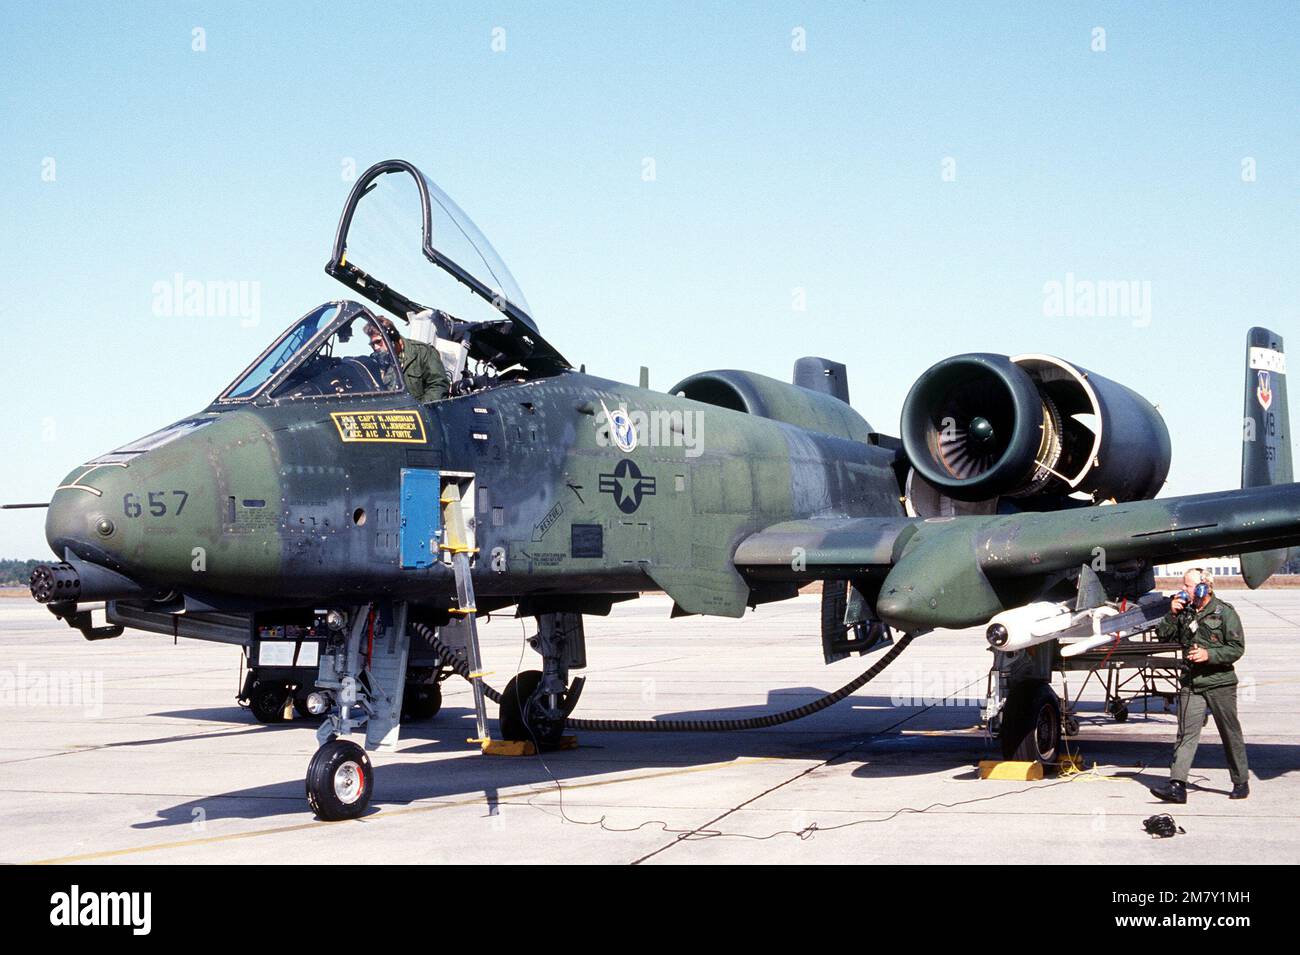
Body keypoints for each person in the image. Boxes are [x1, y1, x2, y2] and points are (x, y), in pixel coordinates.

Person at [1148, 568, 1249, 803]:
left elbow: (1236, 648)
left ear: (1203, 587)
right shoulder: (1185, 612)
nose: (1183, 589)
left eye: (1188, 586)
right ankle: (1177, 785)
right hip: (1191, 683)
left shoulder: (1224, 613)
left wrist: (1209, 655)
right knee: (1186, 734)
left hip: (1219, 682)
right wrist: (1171, 614)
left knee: (1229, 732)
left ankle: (1240, 780)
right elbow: (1163, 635)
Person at [365, 315, 449, 402]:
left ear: (392, 337)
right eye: (372, 344)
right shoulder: (377, 363)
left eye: (378, 342)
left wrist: (419, 409)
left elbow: (438, 385)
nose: (376, 347)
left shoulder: (422, 352)